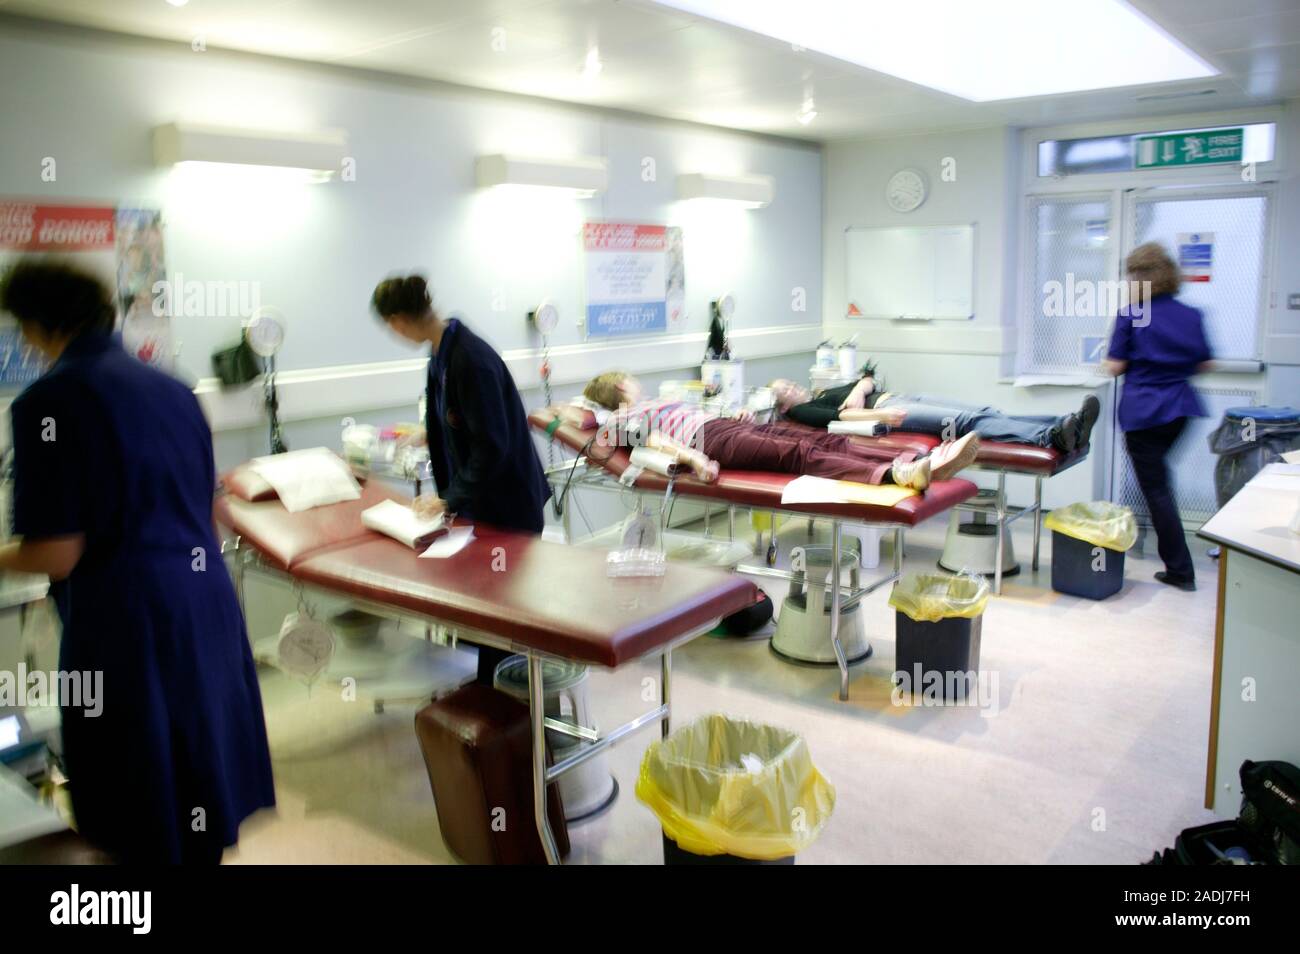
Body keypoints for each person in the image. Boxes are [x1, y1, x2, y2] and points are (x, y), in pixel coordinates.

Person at [0, 260, 274, 863]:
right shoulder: (173, 387)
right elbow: (210, 508)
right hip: (204, 606)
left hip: (126, 622)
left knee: (137, 795)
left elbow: (57, 552)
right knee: (197, 776)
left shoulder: (48, 402)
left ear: (35, 327)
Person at [371, 274, 551, 678]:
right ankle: (493, 701)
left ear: (398, 320)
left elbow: (492, 445)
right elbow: (457, 419)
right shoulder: (441, 353)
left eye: (389, 327)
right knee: (485, 610)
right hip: (482, 506)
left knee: (503, 611)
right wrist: (428, 433)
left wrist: (448, 499)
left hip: (509, 508)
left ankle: (517, 706)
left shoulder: (470, 359)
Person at [553, 371, 980, 491]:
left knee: (817, 438)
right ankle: (897, 475)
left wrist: (737, 414)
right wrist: (693, 457)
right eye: (625, 379)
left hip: (719, 426)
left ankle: (911, 461)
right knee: (797, 457)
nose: (632, 379)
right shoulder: (622, 419)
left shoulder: (649, 403)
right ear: (616, 390)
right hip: (710, 442)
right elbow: (650, 441)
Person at [1105, 242, 1213, 592]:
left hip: (1145, 412)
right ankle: (1148, 543)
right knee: (1157, 482)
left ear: (1137, 278)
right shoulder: (1191, 315)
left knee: (1156, 487)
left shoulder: (1132, 315)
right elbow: (1205, 363)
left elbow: (1115, 366)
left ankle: (1180, 571)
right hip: (1181, 409)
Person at [770, 371, 1101, 453]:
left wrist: (859, 388)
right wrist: (880, 414)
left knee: (985, 410)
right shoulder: (803, 410)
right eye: (786, 391)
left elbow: (868, 378)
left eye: (791, 384)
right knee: (967, 423)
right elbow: (838, 419)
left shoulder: (822, 392)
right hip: (890, 411)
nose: (794, 388)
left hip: (895, 395)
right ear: (784, 405)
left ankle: (1065, 424)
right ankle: (1051, 436)